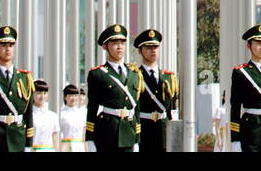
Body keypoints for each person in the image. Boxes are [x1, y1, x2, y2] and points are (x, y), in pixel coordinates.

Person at [228, 23, 261, 153]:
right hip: (251, 131)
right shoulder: (241, 72)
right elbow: (235, 107)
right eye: (258, 43)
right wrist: (235, 139)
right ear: (249, 46)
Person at [86, 24, 141, 154]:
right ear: (105, 46)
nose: (119, 46)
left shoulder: (134, 73)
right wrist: (90, 139)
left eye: (122, 42)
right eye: (115, 43)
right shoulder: (98, 74)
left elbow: (136, 108)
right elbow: (92, 107)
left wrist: (137, 139)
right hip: (106, 131)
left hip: (129, 132)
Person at [132, 28, 179, 152]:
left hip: (164, 131)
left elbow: (172, 108)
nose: (153, 50)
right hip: (144, 131)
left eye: (155, 47)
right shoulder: (135, 76)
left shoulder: (169, 77)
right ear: (140, 51)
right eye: (148, 47)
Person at [30, 80, 59, 152]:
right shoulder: (29, 115)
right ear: (32, 94)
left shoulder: (53, 116)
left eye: (45, 93)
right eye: (39, 93)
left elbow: (55, 137)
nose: (42, 96)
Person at [60, 84, 86, 151]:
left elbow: (84, 134)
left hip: (80, 147)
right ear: (65, 97)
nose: (73, 98)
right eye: (71, 95)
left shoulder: (82, 113)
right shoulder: (61, 113)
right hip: (65, 147)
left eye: (75, 95)